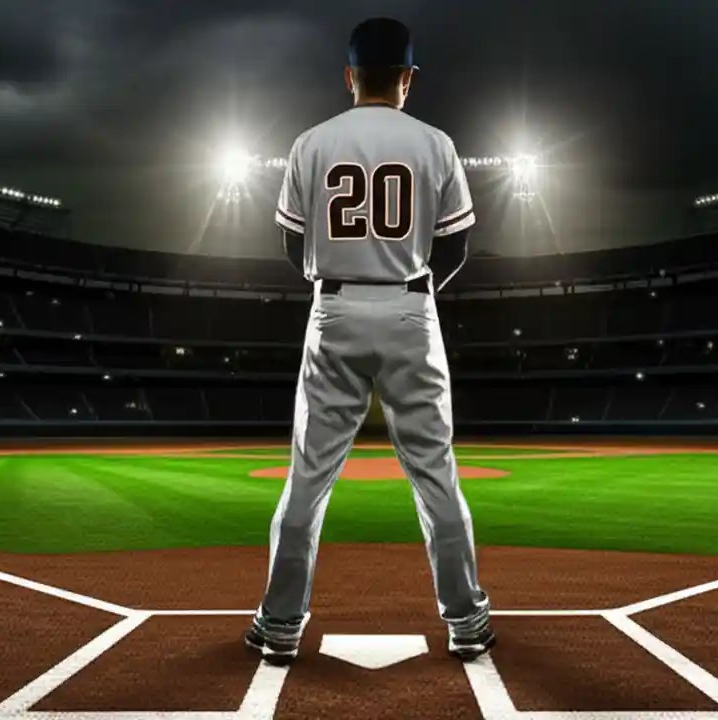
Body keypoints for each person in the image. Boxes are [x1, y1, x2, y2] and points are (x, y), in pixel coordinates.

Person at [243, 17, 493, 666]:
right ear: (407, 78)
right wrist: (412, 287)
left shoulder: (312, 142)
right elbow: (459, 242)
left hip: (334, 309)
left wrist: (337, 282)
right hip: (412, 307)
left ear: (350, 75)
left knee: (307, 479)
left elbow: (291, 243)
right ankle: (466, 623)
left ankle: (279, 627)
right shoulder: (435, 143)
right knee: (435, 475)